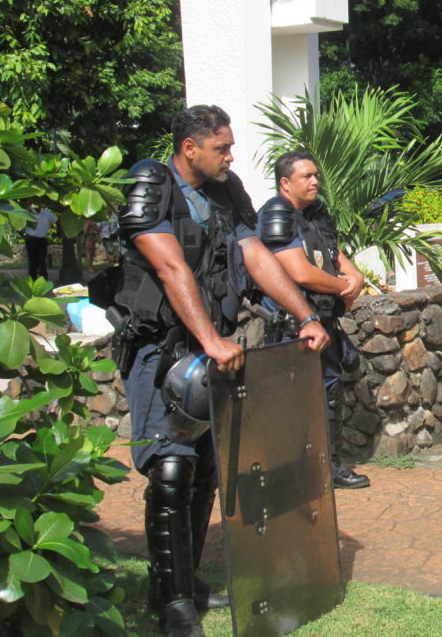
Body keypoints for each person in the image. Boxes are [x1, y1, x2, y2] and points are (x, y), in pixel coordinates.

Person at [113, 105, 330, 637]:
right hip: (159, 348)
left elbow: (255, 255)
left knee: (208, 467)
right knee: (171, 468)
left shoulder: (226, 190)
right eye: (222, 148)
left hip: (214, 351)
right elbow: (168, 266)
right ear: (190, 147)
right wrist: (210, 340)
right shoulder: (150, 182)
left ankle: (181, 582)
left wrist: (305, 314)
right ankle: (172, 603)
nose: (230, 156)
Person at [257, 151, 370, 489]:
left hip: (324, 323)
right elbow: (298, 271)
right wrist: (343, 287)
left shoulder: (316, 214)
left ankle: (330, 466)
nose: (315, 181)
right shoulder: (276, 213)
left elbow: (333, 254)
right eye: (306, 176)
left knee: (330, 394)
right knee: (294, 401)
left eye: (315, 175)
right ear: (284, 182)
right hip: (291, 328)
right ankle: (289, 472)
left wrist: (355, 278)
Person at [23, 206, 57, 281]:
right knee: (32, 261)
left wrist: (59, 232)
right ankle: (32, 279)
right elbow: (18, 224)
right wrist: (23, 235)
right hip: (31, 239)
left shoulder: (46, 213)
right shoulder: (28, 213)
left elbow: (56, 220)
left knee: (41, 260)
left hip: (42, 240)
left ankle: (44, 279)